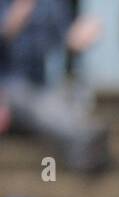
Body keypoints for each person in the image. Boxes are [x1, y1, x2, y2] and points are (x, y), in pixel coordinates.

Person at [0, 0, 109, 172]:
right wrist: (10, 25)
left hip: (38, 88)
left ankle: (83, 143)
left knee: (55, 100)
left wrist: (77, 37)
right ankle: (82, 137)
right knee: (35, 102)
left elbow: (66, 38)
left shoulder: (50, 5)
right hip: (8, 87)